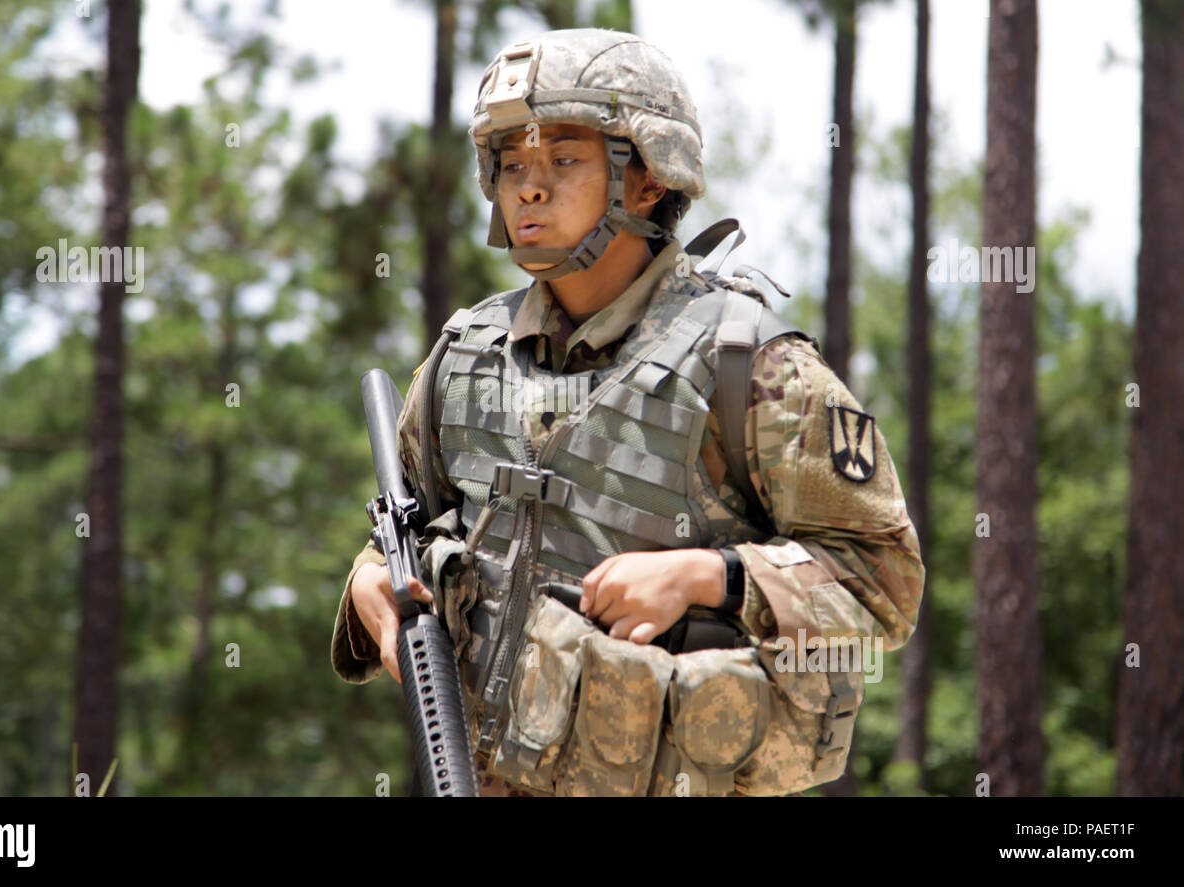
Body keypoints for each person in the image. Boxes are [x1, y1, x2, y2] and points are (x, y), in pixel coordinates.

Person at [331, 28, 924, 797]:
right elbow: (402, 526)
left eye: (563, 160)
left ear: (648, 180)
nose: (528, 187)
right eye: (512, 164)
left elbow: (884, 583)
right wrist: (368, 583)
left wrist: (712, 574)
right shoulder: (463, 357)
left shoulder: (749, 366)